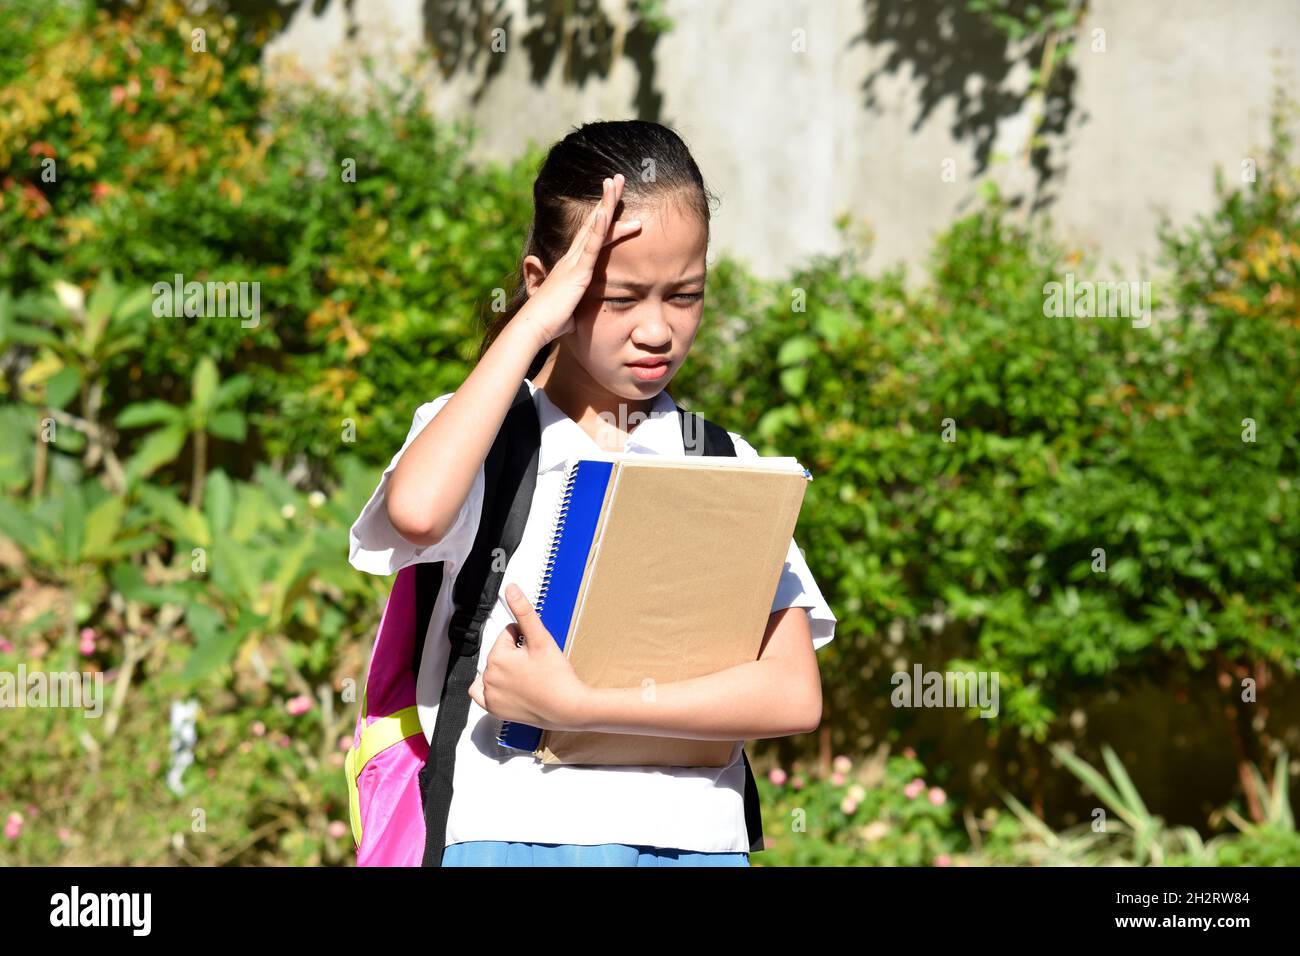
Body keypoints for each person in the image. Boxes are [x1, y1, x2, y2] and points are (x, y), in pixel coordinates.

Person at [348, 120, 836, 867]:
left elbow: (793, 695)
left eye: (685, 295)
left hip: (695, 843)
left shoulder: (719, 460)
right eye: (620, 296)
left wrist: (580, 708)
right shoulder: (485, 433)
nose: (657, 330)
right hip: (510, 835)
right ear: (549, 279)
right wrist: (537, 319)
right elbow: (417, 512)